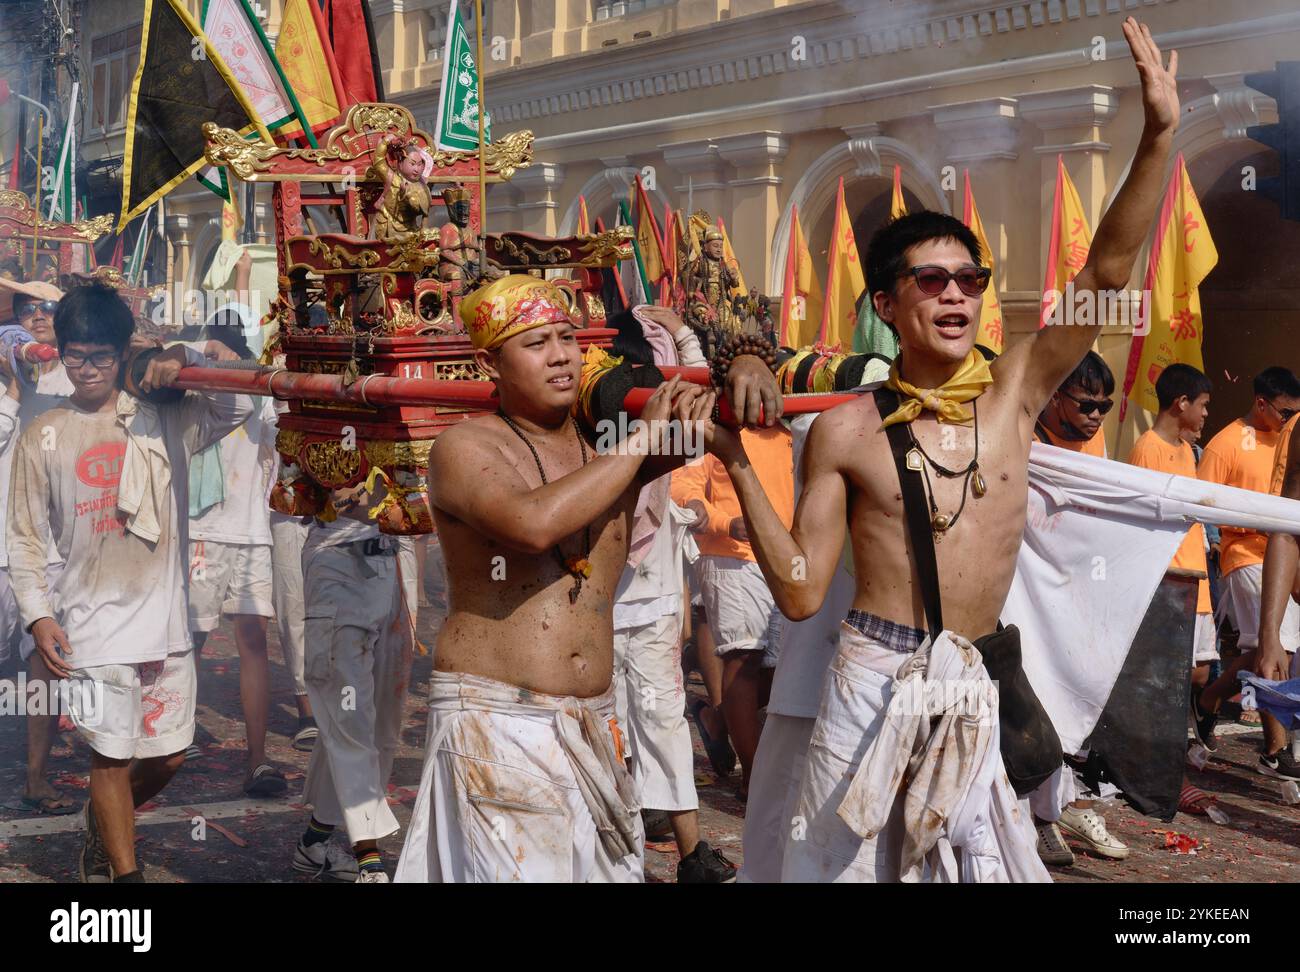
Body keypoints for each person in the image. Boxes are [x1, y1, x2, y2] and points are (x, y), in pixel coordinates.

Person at [705, 17, 1179, 882]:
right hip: (873, 673)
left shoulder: (1016, 392)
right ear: (887, 303)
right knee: (849, 870)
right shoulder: (848, 429)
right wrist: (738, 464)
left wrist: (1157, 136)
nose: (957, 295)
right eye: (933, 280)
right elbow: (805, 592)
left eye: (971, 281)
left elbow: (1108, 274)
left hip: (973, 680)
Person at [394, 274, 775, 883]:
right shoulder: (465, 448)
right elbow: (533, 524)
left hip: (594, 720)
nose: (560, 356)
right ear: (490, 362)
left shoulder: (606, 446)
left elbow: (716, 416)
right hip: (501, 719)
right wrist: (643, 437)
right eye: (536, 343)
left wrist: (750, 361)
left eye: (567, 338)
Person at [7, 284, 250, 882]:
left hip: (164, 619)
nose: (86, 370)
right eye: (75, 356)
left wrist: (184, 355)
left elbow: (239, 404)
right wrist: (39, 616)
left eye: (101, 357)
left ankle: (102, 820)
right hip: (87, 623)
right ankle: (125, 880)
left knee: (167, 754)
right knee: (109, 755)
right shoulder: (45, 433)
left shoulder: (166, 414)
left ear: (121, 354)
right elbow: (24, 537)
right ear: (59, 352)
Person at [608, 304, 737, 882]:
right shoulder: (582, 416)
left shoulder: (661, 416)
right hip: (590, 600)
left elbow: (700, 391)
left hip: (654, 593)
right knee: (607, 729)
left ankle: (691, 854)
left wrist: (684, 334)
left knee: (660, 720)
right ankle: (619, 855)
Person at [1028, 352, 1128, 865]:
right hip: (1020, 610)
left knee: (1067, 717)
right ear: (1051, 396)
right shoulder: (1021, 443)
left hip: (1073, 608)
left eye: (1105, 406)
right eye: (1087, 403)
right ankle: (1038, 820)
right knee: (1029, 719)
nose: (1096, 415)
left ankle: (1052, 811)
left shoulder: (1093, 450)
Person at [185, 306, 285, 797]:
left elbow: (279, 440)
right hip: (202, 529)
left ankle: (258, 759)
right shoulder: (199, 379)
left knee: (249, 644)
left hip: (251, 528)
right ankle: (172, 734)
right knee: (190, 640)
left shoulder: (265, 387)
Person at [671, 425, 793, 802]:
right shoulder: (716, 422)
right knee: (744, 661)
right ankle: (755, 780)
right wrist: (723, 522)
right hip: (731, 556)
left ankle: (716, 718)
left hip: (787, 555)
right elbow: (681, 484)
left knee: (778, 672)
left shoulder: (799, 421)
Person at [1196, 366, 1300, 778]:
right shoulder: (1225, 444)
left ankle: (1210, 699)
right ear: (1261, 403)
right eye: (1285, 412)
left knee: (1262, 651)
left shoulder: (1288, 435)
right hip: (1248, 555)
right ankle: (1276, 749)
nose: (1289, 420)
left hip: (1285, 557)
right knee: (1277, 648)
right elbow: (1203, 504)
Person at [0, 279, 77, 817]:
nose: (38, 316)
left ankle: (36, 776)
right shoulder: (12, 376)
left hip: (45, 550)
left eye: (50, 308)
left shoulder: (75, 383)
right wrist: (11, 391)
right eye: (28, 307)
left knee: (44, 666)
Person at [1033, 350, 1111, 456]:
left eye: (1104, 407)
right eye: (1087, 406)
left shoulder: (1094, 433)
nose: (1096, 415)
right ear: (1055, 397)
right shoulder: (1027, 446)